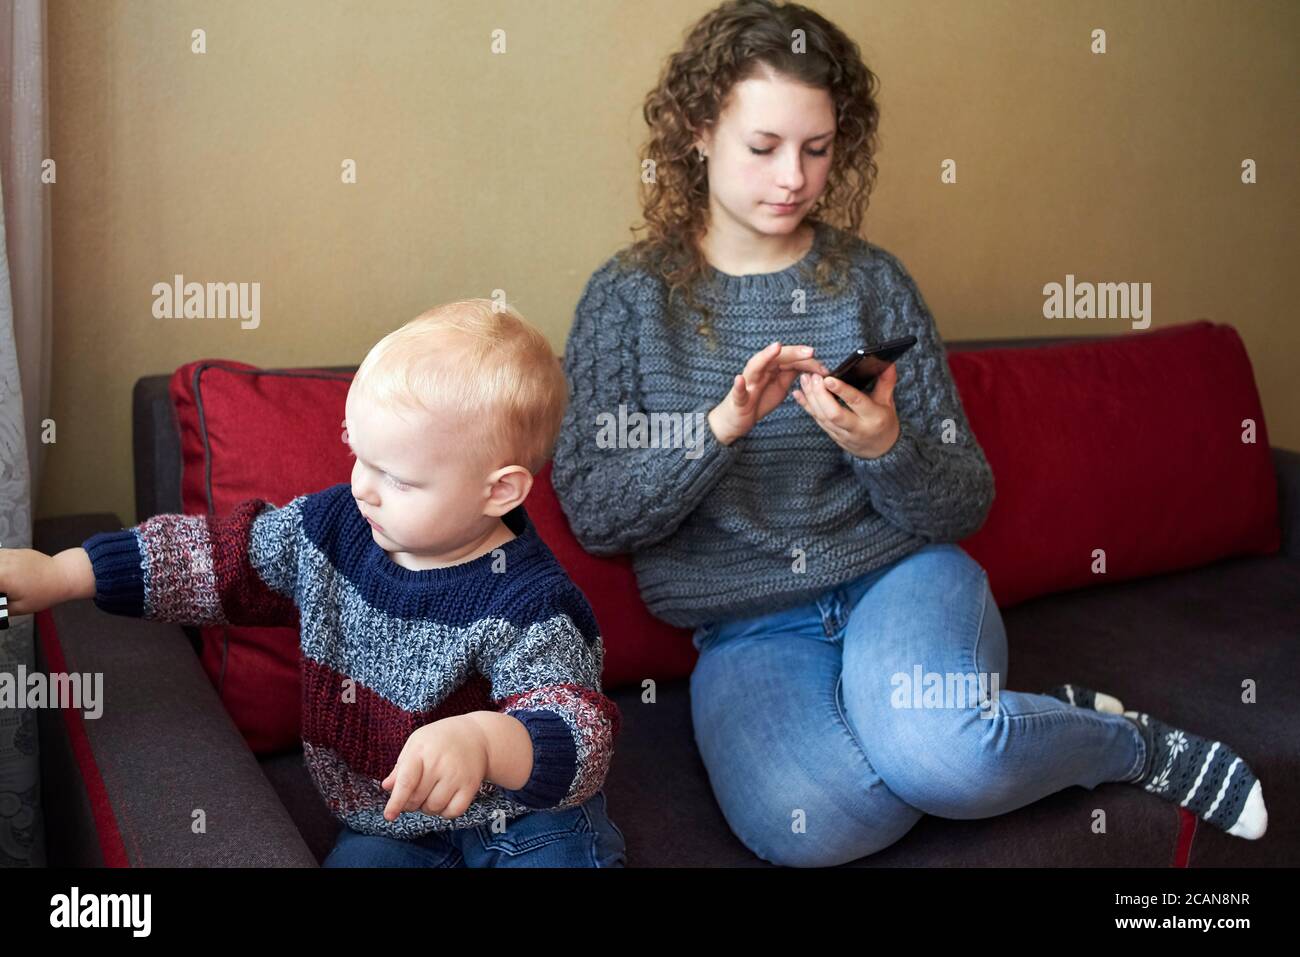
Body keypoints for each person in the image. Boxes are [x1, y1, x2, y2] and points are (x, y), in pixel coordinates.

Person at [548, 0, 1265, 867]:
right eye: (764, 147)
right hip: (746, 630)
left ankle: (1133, 746)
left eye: (817, 149)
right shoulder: (627, 302)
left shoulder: (872, 283)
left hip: (901, 578)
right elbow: (596, 512)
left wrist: (884, 445)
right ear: (699, 132)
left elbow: (966, 497)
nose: (793, 178)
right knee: (809, 825)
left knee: (945, 757)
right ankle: (1012, 727)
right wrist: (721, 426)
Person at [1, 299, 626, 868]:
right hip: (386, 821)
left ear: (500, 490)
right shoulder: (334, 528)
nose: (362, 487)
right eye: (359, 455)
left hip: (523, 823)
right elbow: (213, 559)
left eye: (398, 478)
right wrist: (63, 573)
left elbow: (580, 737)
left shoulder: (531, 603)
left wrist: (485, 740)